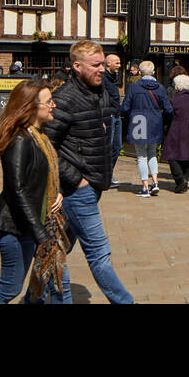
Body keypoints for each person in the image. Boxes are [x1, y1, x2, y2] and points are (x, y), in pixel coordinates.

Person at [44, 40, 134, 304]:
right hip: (77, 189)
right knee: (99, 253)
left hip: (94, 184)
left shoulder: (101, 91)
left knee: (59, 249)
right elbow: (47, 147)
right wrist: (76, 179)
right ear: (76, 66)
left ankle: (34, 298)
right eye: (95, 65)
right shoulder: (64, 99)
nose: (101, 70)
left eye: (103, 64)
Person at [0, 80, 67, 303]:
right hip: (15, 229)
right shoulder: (21, 141)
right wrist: (40, 233)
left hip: (30, 226)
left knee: (39, 282)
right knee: (8, 290)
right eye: (48, 102)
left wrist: (58, 193)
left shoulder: (40, 137)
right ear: (31, 107)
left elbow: (42, 179)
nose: (53, 105)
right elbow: (16, 190)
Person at [122, 60, 174, 197]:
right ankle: (155, 183)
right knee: (152, 154)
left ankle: (145, 186)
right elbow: (169, 109)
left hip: (138, 123)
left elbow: (125, 107)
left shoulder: (134, 87)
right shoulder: (160, 88)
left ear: (140, 72)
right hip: (154, 123)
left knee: (141, 156)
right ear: (154, 72)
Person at [163, 74, 189, 193]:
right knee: (185, 155)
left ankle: (180, 180)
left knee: (171, 156)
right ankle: (185, 178)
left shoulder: (173, 101)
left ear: (178, 87)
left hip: (175, 130)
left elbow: (167, 115)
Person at [103, 54, 124, 175]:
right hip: (109, 116)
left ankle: (108, 174)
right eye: (117, 63)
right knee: (108, 147)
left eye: (120, 63)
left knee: (117, 147)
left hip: (117, 116)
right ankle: (105, 175)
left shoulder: (112, 78)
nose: (119, 66)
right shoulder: (103, 79)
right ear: (108, 63)